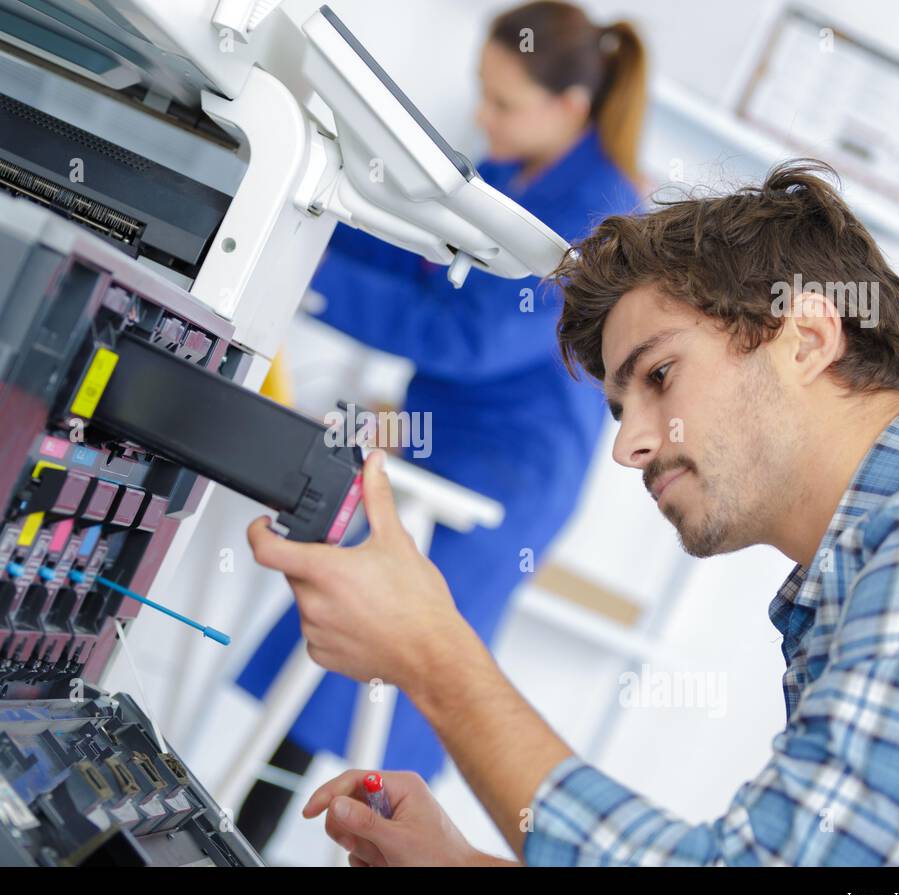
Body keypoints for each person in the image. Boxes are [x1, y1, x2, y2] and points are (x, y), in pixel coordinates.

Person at [247, 159, 899, 866]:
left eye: (660, 374)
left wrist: (434, 652)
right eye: (621, 406)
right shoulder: (876, 564)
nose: (629, 448)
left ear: (808, 339)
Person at [234, 1, 646, 849]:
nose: (484, 123)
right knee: (332, 661)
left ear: (569, 105)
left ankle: (263, 834)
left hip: (502, 477)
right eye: (483, 98)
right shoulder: (515, 173)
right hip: (446, 444)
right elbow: (413, 258)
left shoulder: (598, 207)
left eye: (503, 104)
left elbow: (469, 333)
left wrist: (297, 278)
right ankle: (240, 833)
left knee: (390, 685)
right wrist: (288, 212)